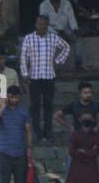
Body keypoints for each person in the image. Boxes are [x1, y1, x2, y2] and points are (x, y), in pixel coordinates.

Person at [19, 14, 70, 142]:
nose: (42, 26)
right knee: (34, 105)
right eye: (39, 24)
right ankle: (37, 132)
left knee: (48, 105)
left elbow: (66, 47)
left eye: (44, 24)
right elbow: (23, 57)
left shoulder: (53, 38)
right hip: (34, 77)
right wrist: (25, 73)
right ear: (36, 25)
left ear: (48, 25)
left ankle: (48, 131)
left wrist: (58, 60)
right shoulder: (29, 38)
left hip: (49, 76)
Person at [38, 0, 81, 71]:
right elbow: (43, 24)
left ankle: (78, 64)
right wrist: (57, 33)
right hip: (50, 31)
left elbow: (71, 19)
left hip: (66, 29)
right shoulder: (43, 5)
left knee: (78, 39)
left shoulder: (66, 4)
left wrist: (75, 29)